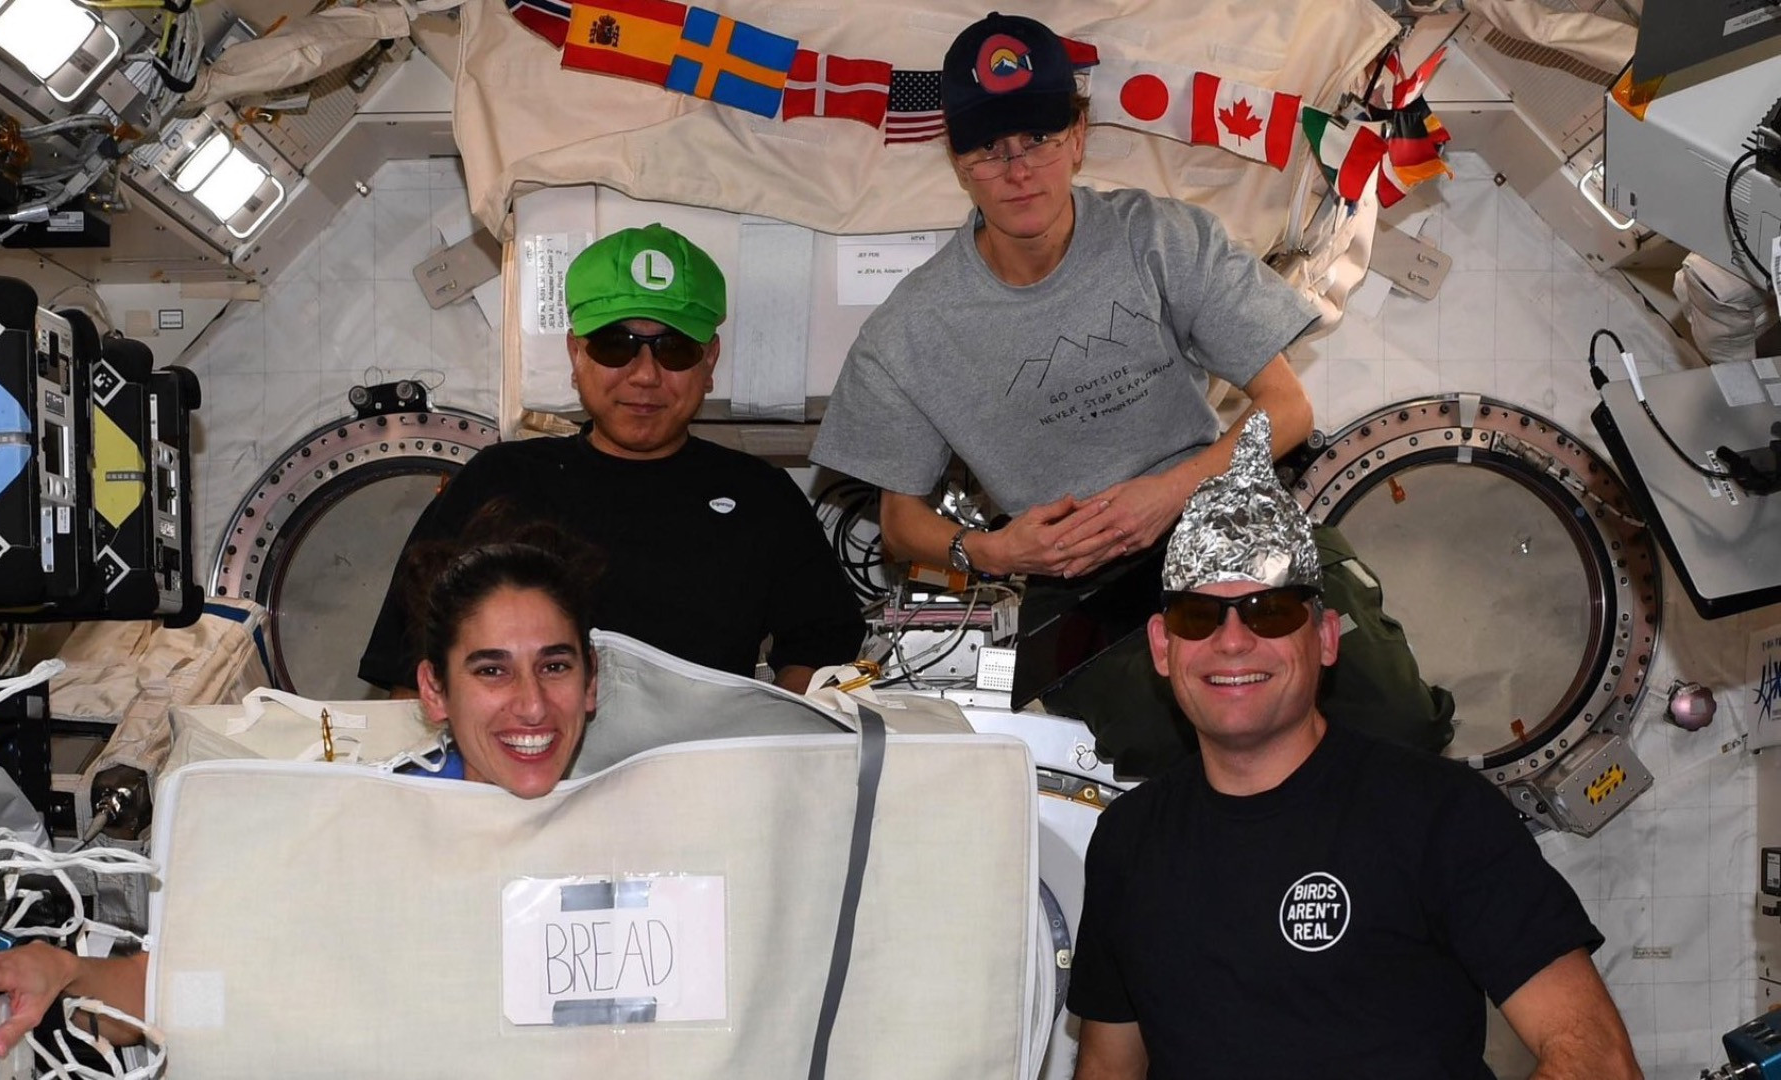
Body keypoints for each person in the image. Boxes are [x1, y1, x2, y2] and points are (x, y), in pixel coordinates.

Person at [808, 11, 1451, 775]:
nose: (1019, 170)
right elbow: (899, 523)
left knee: (1396, 721)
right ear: (959, 159)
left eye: (1040, 140)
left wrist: (1165, 495)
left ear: (1077, 137)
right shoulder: (910, 330)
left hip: (1228, 519)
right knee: (1158, 769)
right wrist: (993, 549)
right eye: (990, 149)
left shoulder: (1161, 240)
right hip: (1081, 586)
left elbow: (1288, 413)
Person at [1065, 413, 1640, 1080]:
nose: (1231, 642)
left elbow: (1595, 1059)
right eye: (1200, 616)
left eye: (1269, 612)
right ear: (1164, 648)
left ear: (1328, 638)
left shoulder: (1438, 815)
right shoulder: (1128, 841)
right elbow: (1109, 1069)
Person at [0, 533, 605, 1058]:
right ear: (434, 691)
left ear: (591, 683)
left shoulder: (635, 836)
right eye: (491, 669)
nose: (531, 704)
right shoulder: (357, 838)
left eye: (555, 665)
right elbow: (206, 987)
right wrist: (66, 972)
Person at [359, 222, 865, 696]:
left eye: (674, 350)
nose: (645, 375)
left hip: (697, 779)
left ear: (708, 363)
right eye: (614, 345)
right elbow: (413, 668)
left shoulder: (762, 498)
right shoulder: (498, 485)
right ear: (576, 355)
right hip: (529, 777)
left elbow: (821, 647)